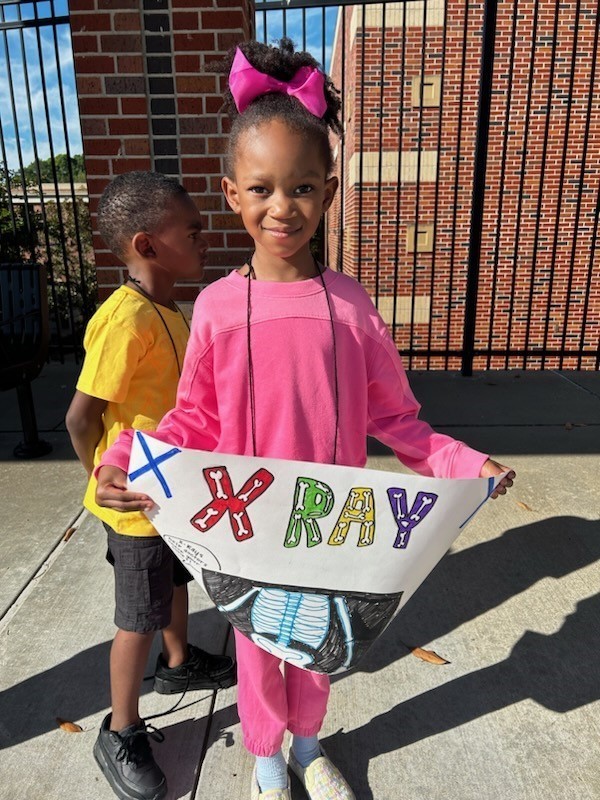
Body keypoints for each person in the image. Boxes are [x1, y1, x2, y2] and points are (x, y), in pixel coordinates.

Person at [93, 42, 515, 800]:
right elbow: (191, 414)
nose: (281, 207)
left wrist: (459, 462)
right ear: (230, 193)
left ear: (329, 191)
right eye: (261, 188)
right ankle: (264, 756)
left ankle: (311, 745)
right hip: (248, 520)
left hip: (330, 518)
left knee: (322, 637)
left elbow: (398, 418)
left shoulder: (352, 308)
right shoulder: (219, 308)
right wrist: (126, 454)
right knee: (258, 642)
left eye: (301, 188)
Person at [66, 171, 236, 800]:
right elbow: (81, 417)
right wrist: (100, 482)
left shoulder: (167, 309)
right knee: (137, 614)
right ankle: (121, 728)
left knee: (174, 582)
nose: (204, 236)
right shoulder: (125, 320)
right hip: (134, 501)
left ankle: (178, 663)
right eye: (190, 230)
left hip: (172, 486)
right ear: (146, 243)